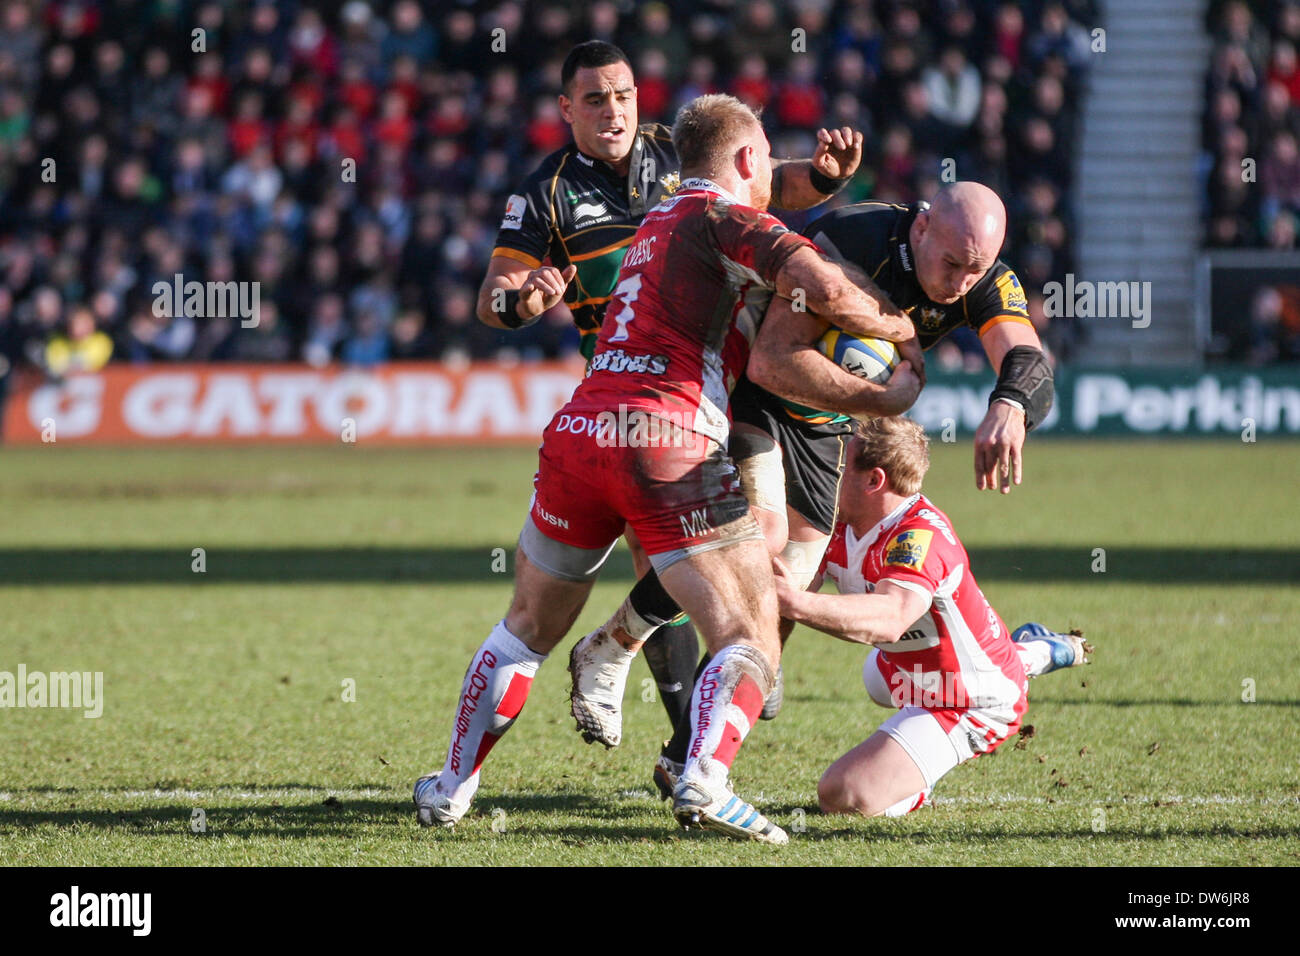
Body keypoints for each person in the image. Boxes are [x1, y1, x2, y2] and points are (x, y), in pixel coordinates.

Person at [415, 93, 920, 844]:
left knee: (524, 629)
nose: (768, 185)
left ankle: (449, 787)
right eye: (764, 168)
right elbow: (826, 287)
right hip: (667, 435)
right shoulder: (731, 219)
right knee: (750, 631)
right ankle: (705, 781)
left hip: (582, 431)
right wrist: (899, 332)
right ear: (749, 162)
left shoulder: (654, 219)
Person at [476, 40, 902, 749]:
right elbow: (492, 298)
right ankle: (683, 737)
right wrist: (523, 302)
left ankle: (664, 690)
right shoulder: (546, 192)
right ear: (565, 110)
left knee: (734, 548)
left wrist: (822, 179)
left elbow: (762, 182)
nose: (612, 110)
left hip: (723, 375)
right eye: (593, 99)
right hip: (636, 392)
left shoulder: (674, 153)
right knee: (666, 557)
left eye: (622, 95)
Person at [570, 181, 1056, 798]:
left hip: (828, 433)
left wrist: (1010, 404)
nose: (960, 280)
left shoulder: (984, 277)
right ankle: (612, 645)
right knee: (754, 538)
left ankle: (682, 756)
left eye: (976, 268)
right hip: (757, 398)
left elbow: (1028, 360)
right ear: (925, 225)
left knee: (778, 597)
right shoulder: (853, 237)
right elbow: (773, 359)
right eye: (951, 262)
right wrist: (886, 397)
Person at [773, 417, 1091, 816]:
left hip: (966, 700)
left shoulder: (919, 538)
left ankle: (920, 779)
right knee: (875, 680)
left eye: (838, 466)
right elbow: (798, 580)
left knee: (842, 796)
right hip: (906, 669)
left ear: (874, 481)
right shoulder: (841, 518)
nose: (825, 471)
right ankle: (1032, 653)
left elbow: (888, 619)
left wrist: (792, 603)